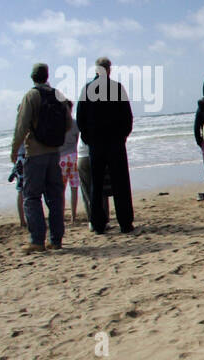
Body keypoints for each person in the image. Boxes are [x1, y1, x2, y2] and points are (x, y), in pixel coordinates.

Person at [10, 63, 72, 252]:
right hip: (54, 152)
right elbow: (68, 123)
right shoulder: (58, 95)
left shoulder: (31, 96)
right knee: (55, 197)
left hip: (35, 153)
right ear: (47, 76)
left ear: (32, 77)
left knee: (31, 197)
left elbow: (21, 126)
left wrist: (14, 150)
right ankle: (56, 240)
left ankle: (37, 240)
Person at [76, 56, 134, 234]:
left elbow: (80, 119)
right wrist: (123, 136)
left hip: (96, 144)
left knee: (97, 184)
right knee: (120, 184)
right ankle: (125, 223)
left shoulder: (87, 90)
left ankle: (98, 223)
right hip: (115, 142)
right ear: (109, 70)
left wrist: (88, 139)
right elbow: (127, 117)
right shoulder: (116, 88)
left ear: (96, 70)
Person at [59, 100, 81, 223]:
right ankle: (73, 216)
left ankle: (61, 215)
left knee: (61, 190)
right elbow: (77, 141)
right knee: (74, 187)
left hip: (61, 158)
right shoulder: (74, 124)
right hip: (73, 157)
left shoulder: (58, 125)